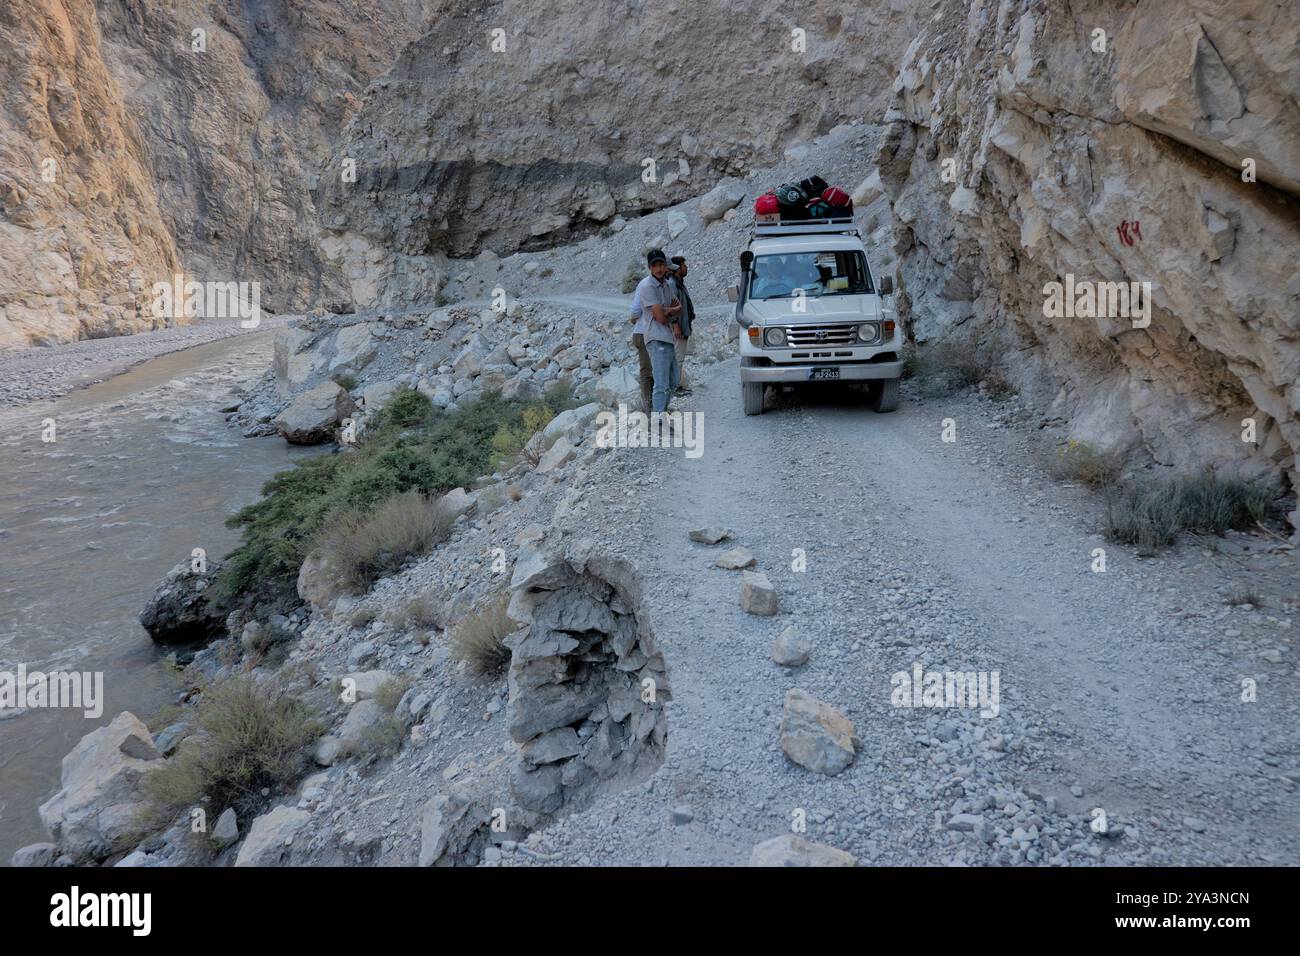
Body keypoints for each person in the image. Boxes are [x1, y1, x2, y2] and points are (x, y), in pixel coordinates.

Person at [633, 248, 681, 414]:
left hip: (666, 337)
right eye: (655, 266)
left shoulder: (665, 285)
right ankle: (658, 418)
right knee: (660, 382)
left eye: (661, 264)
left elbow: (679, 307)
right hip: (655, 337)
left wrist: (666, 310)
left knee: (673, 380)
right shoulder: (647, 286)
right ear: (650, 268)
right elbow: (660, 317)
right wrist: (668, 311)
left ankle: (661, 412)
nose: (659, 269)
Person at [670, 255, 695, 396]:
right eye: (684, 265)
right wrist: (675, 325)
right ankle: (675, 388)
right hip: (678, 328)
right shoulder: (673, 284)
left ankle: (676, 385)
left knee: (679, 357)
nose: (686, 267)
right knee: (678, 358)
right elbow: (670, 305)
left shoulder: (678, 283)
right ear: (677, 268)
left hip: (683, 325)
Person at [627, 285, 653, 412]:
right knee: (647, 373)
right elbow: (634, 312)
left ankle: (653, 407)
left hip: (647, 333)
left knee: (649, 372)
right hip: (644, 333)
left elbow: (634, 314)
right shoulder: (646, 285)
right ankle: (648, 409)